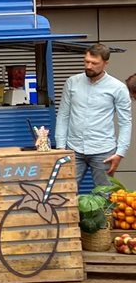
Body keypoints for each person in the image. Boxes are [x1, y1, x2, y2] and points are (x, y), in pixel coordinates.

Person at [56, 43, 132, 189]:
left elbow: (125, 122)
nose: (89, 66)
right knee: (65, 192)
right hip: (73, 148)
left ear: (105, 63)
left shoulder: (118, 87)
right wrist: (60, 147)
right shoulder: (72, 82)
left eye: (94, 63)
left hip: (103, 150)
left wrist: (120, 153)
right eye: (86, 61)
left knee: (105, 195)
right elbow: (63, 115)